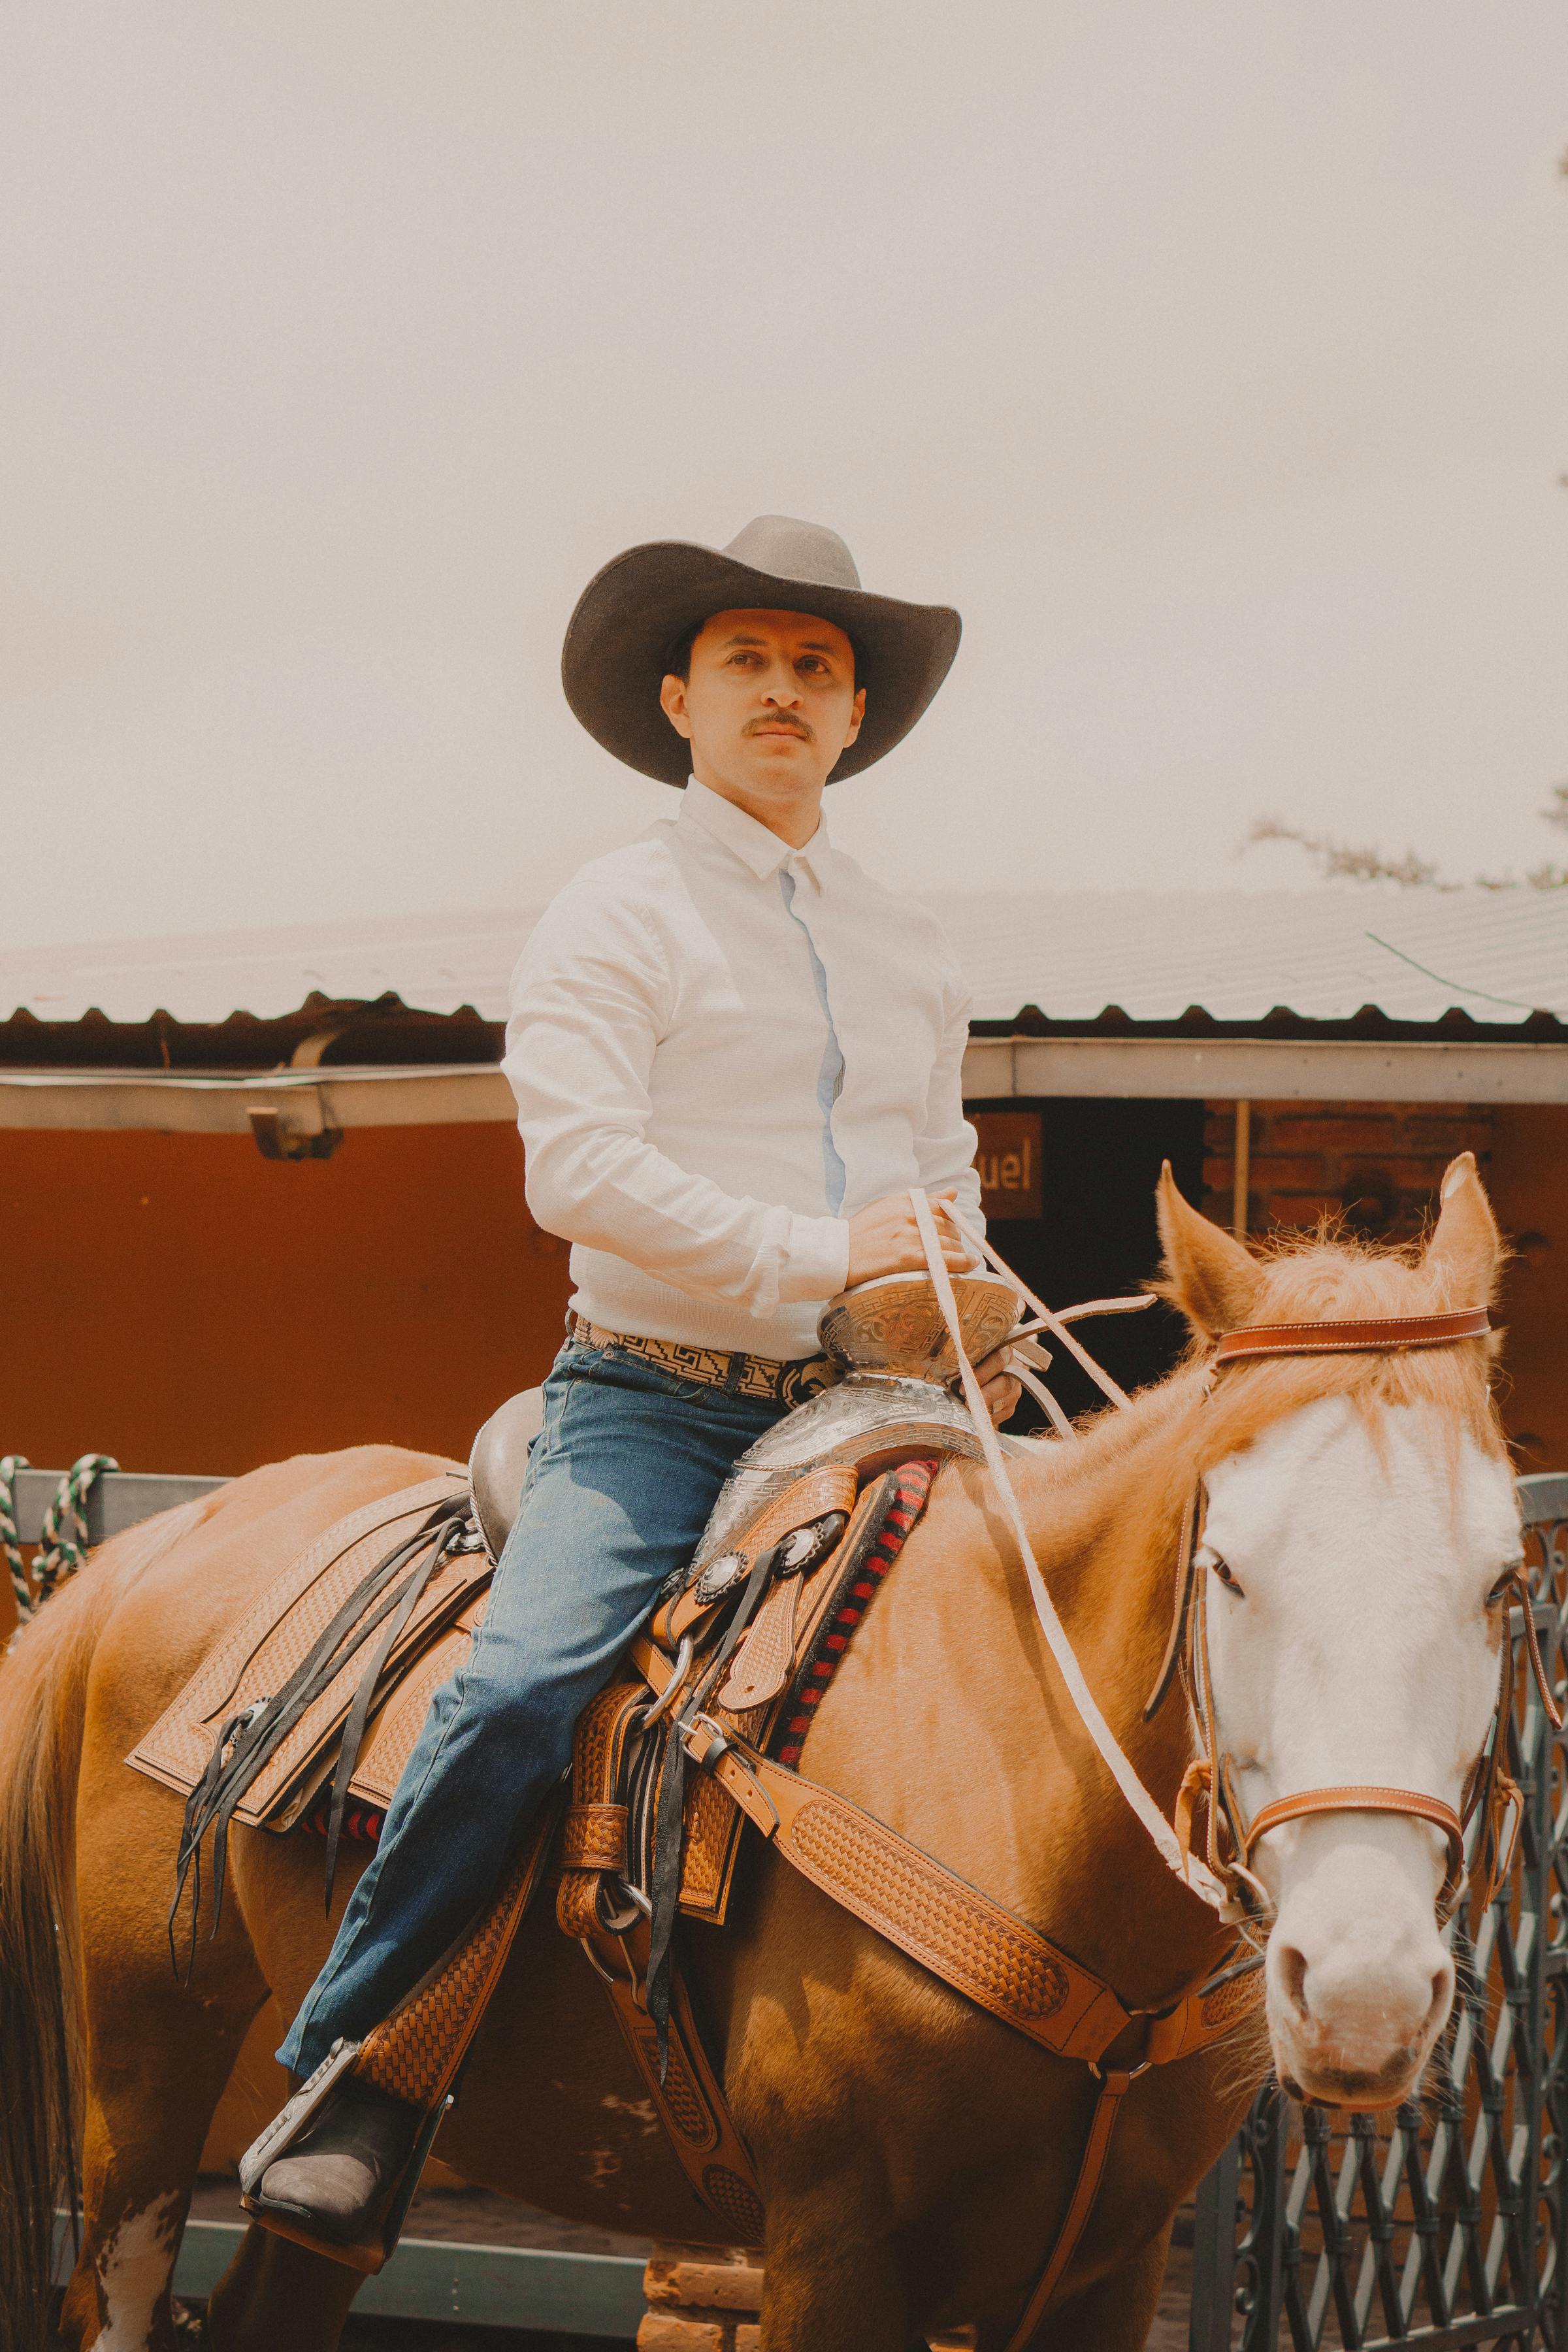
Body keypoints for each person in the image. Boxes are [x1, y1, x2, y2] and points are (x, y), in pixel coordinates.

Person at [255, 512, 1019, 2234]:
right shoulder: (617, 912)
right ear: (680, 700)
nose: (784, 687)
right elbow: (579, 1173)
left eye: (817, 665)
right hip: (657, 1401)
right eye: (748, 659)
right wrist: (830, 1258)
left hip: (884, 1407)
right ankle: (362, 2065)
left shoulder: (912, 943)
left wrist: (963, 1277)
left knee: (1061, 1630)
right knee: (525, 1687)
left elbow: (941, 1161)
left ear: (855, 715)